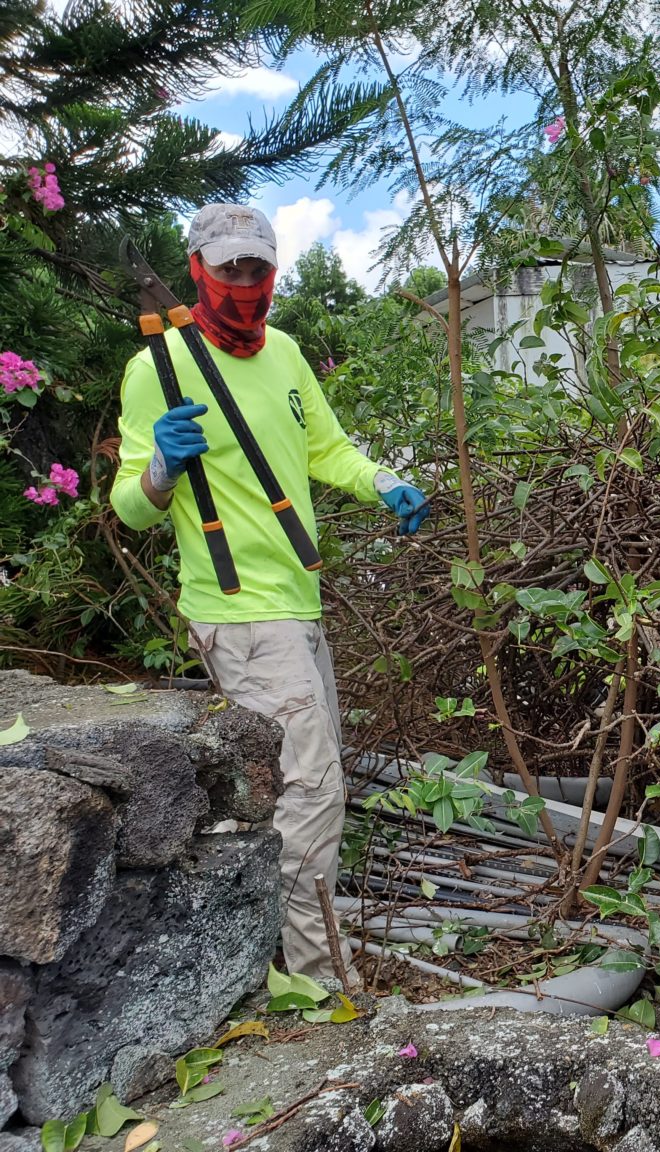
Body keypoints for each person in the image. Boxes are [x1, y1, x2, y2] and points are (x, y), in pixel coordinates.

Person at [110, 204, 429, 981]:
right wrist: (162, 467)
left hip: (298, 606)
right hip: (239, 615)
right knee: (314, 796)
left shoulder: (283, 353)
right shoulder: (156, 369)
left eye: (257, 269)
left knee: (305, 792)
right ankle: (324, 988)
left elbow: (326, 448)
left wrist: (383, 480)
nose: (244, 283)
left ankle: (272, 964)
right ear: (197, 270)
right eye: (229, 270)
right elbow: (128, 504)